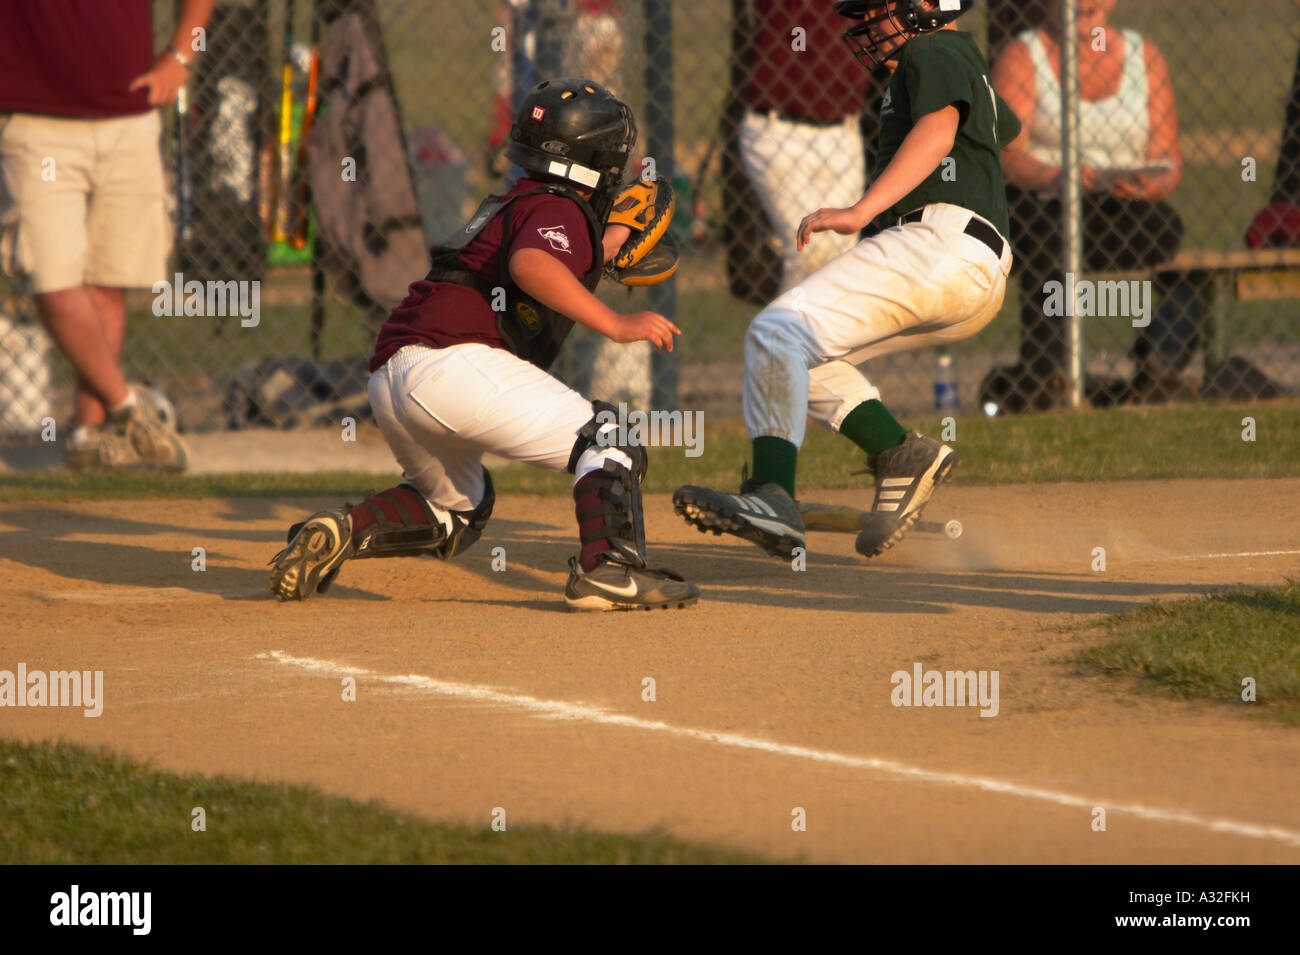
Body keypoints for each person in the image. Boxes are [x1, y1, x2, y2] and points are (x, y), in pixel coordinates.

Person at [269, 79, 698, 612]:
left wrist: (607, 240)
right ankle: (608, 570)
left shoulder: (522, 200)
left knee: (453, 509)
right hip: (455, 367)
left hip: (393, 377)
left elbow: (541, 255)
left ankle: (343, 529)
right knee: (610, 438)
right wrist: (615, 324)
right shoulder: (558, 208)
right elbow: (533, 264)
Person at [674, 0, 1017, 561]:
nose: (868, 26)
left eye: (882, 11)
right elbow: (1008, 129)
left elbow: (938, 128)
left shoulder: (932, 49)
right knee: (802, 355)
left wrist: (861, 211)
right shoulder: (962, 58)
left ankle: (772, 496)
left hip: (937, 245)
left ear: (926, 6)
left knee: (776, 331)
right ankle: (899, 453)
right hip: (973, 272)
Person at [0, 0, 211, 469]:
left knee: (105, 282)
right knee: (51, 281)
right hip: (33, 121)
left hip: (129, 115)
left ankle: (88, 439)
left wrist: (180, 56)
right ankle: (129, 409)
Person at [991, 0, 1204, 408]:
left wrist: (1149, 184)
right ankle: (1044, 379)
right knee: (1048, 237)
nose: (1084, 4)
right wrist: (1061, 175)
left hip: (1115, 207)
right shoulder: (1023, 54)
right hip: (1044, 202)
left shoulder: (1145, 57)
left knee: (1167, 228)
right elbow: (1008, 154)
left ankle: (1157, 368)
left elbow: (1168, 158)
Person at [738, 0, 874, 291]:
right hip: (776, 130)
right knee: (806, 250)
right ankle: (783, 335)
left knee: (842, 257)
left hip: (842, 131)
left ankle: (817, 336)